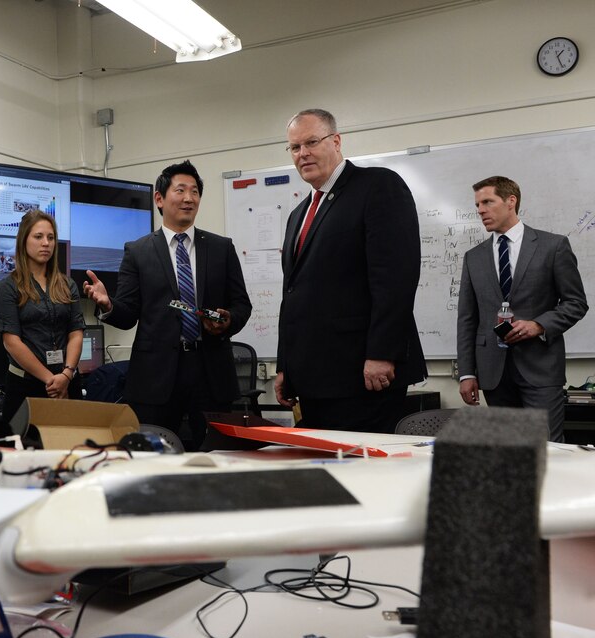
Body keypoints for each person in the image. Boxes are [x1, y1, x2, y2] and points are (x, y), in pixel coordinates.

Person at [275, 109, 426, 434]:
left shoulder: (377, 186)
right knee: (323, 476)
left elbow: (395, 278)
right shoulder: (299, 214)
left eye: (312, 142)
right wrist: (285, 366)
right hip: (313, 381)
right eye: (295, 147)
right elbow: (293, 295)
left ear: (336, 141)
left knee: (365, 478)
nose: (303, 154)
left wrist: (382, 353)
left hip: (363, 375)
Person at [83, 160, 252, 448]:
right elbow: (127, 315)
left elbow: (241, 305)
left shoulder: (222, 248)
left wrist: (228, 320)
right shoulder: (137, 251)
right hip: (155, 375)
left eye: (195, 191)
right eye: (181, 190)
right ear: (159, 199)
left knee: (220, 456)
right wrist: (107, 304)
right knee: (152, 456)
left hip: (211, 370)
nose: (189, 198)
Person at [456, 176, 587, 442]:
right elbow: (467, 319)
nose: (480, 210)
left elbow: (576, 303)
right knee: (509, 452)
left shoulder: (553, 246)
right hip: (492, 371)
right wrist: (467, 373)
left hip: (540, 368)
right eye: (478, 204)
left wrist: (539, 325)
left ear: (510, 201)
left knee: (547, 448)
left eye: (487, 202)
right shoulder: (474, 257)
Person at [0, 210, 85, 423]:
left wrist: (66, 375)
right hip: (27, 386)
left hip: (67, 381)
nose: (46, 243)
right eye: (38, 237)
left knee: (68, 452)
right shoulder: (8, 287)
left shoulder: (67, 284)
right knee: (27, 453)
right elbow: (12, 342)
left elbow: (76, 334)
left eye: (51, 237)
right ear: (24, 240)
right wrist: (52, 380)